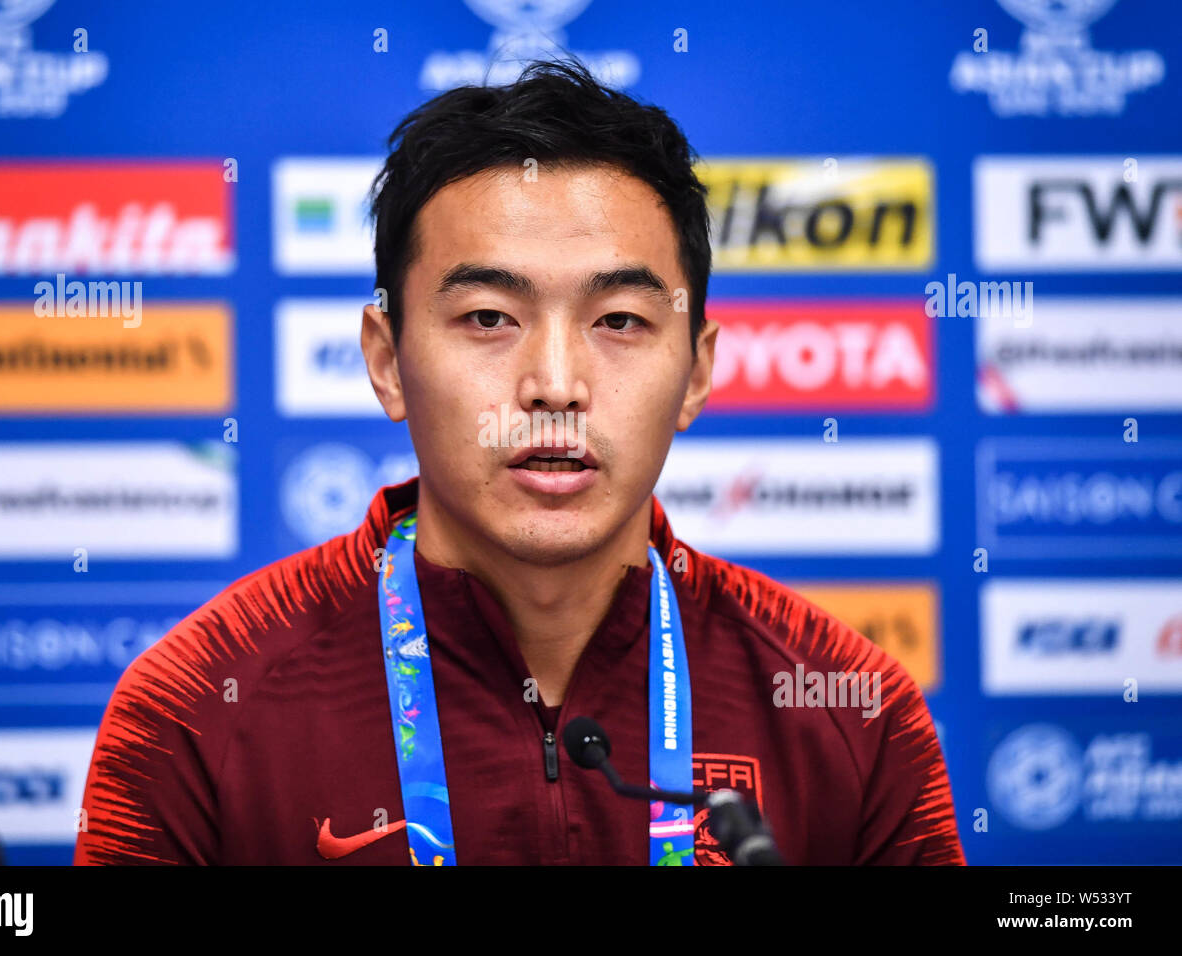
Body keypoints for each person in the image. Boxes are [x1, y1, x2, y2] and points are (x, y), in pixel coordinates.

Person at [74, 58, 965, 866]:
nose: (554, 385)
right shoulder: (194, 708)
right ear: (387, 360)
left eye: (619, 320)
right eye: (490, 318)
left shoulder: (850, 710)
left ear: (696, 371)